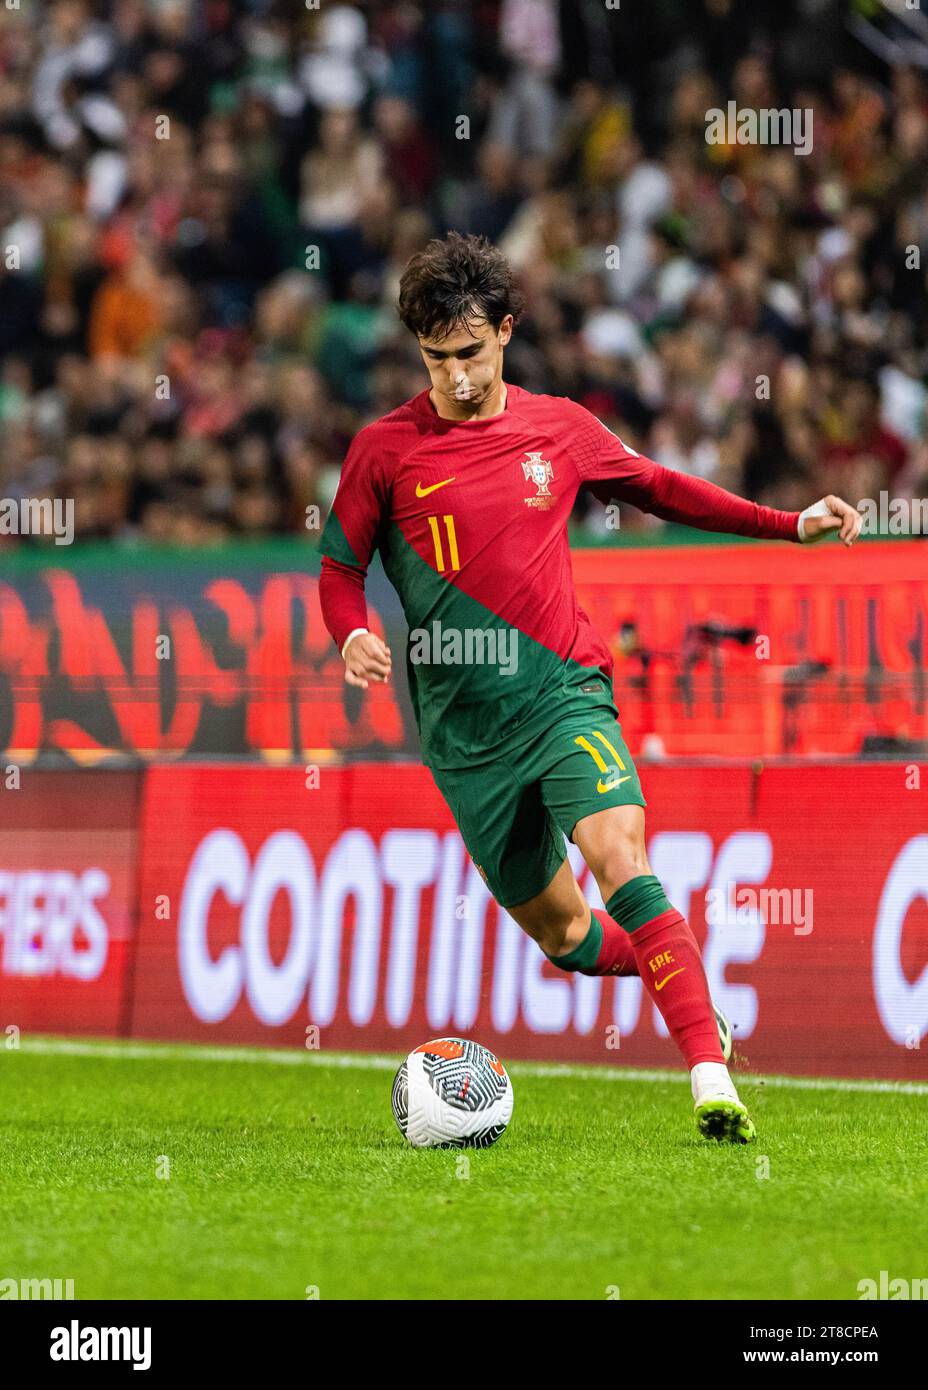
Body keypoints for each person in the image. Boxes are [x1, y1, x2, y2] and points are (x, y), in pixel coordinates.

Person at [319, 233, 862, 1143]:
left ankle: (705, 1072)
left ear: (506, 332)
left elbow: (659, 487)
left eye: (471, 352)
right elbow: (339, 568)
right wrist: (354, 635)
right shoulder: (383, 451)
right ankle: (700, 1005)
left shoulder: (559, 428)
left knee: (621, 857)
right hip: (463, 736)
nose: (455, 376)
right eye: (437, 357)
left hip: (564, 692)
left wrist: (787, 523)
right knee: (567, 938)